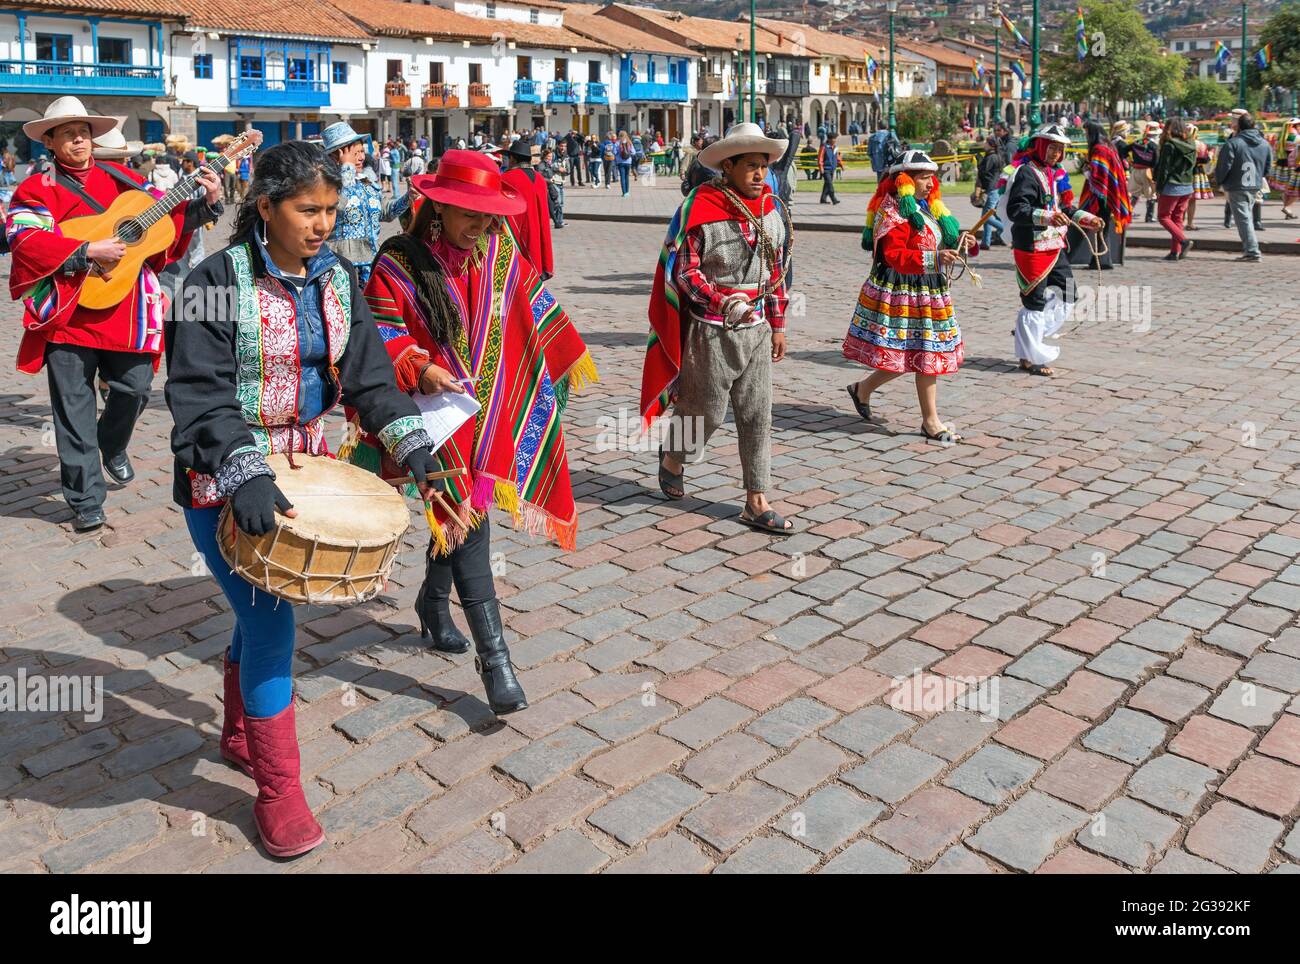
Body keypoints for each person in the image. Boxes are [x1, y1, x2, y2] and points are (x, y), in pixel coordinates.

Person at [165, 140, 438, 860]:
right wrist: (242, 470)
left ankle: (236, 731)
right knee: (271, 619)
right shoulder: (212, 281)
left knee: (259, 611)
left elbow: (371, 379)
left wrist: (414, 447)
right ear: (266, 206)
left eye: (332, 209)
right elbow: (197, 393)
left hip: (312, 473)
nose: (323, 223)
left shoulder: (341, 281)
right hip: (224, 479)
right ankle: (279, 792)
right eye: (307, 209)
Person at [347, 149, 595, 705]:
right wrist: (419, 363)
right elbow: (376, 332)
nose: (482, 224)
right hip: (430, 419)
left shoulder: (499, 251)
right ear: (437, 207)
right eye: (470, 213)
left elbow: (533, 302)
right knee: (466, 521)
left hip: (487, 409)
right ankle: (496, 661)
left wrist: (562, 358)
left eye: (489, 214)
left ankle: (433, 606)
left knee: (463, 517)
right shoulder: (398, 263)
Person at [5, 97, 221, 532]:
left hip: (125, 311)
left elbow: (167, 222)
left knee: (136, 388)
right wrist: (84, 250)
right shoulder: (35, 189)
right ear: (49, 141)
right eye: (68, 132)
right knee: (73, 408)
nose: (79, 138)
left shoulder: (122, 178)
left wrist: (208, 203)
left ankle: (111, 443)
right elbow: (24, 240)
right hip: (67, 311)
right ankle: (86, 498)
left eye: (84, 130)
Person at [642, 123, 794, 534]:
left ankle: (755, 500)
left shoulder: (773, 213)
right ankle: (674, 458)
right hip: (712, 331)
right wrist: (723, 300)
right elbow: (685, 272)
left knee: (758, 413)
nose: (761, 174)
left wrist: (777, 323)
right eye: (751, 166)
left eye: (764, 165)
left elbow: (776, 274)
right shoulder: (700, 209)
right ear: (728, 167)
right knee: (705, 411)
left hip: (757, 330)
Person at [844, 150, 977, 443]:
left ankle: (863, 389)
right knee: (923, 353)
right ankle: (931, 421)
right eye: (924, 178)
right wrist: (935, 258)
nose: (931, 183)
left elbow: (940, 244)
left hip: (929, 291)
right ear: (905, 180)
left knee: (916, 354)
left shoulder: (928, 208)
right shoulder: (893, 211)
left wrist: (962, 243)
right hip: (904, 293)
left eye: (932, 177)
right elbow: (893, 256)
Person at [1005, 123, 1104, 377]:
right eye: (1052, 148)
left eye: (1060, 150)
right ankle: (1033, 357)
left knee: (1069, 293)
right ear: (1039, 146)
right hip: (1031, 248)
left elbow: (1064, 208)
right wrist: (1047, 216)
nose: (1056, 154)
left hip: (1054, 246)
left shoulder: (1052, 174)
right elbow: (1016, 210)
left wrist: (1087, 218)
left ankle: (1029, 338)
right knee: (1034, 302)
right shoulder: (1026, 173)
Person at [318, 122, 411, 286]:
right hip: (341, 267)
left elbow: (386, 212)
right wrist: (346, 168)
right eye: (355, 153)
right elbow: (337, 205)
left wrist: (409, 197)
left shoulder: (366, 182)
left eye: (362, 151)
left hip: (371, 264)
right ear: (336, 156)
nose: (361, 157)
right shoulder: (325, 184)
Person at [1071, 119, 1129, 270]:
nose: (1085, 136)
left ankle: (1101, 261)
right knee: (1103, 226)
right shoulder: (1109, 146)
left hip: (1101, 195)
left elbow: (1098, 175)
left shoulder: (1099, 149)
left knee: (1099, 226)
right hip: (1109, 193)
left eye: (1086, 133)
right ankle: (1102, 259)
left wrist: (1086, 170)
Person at [1214, 111, 1272, 263]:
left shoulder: (1233, 143)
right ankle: (1250, 250)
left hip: (1236, 184)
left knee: (1243, 219)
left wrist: (1220, 181)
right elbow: (1267, 168)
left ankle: (1252, 251)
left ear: (1239, 126)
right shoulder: (1264, 143)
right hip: (1254, 184)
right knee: (1246, 217)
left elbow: (1223, 166)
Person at [501, 138, 554, 278]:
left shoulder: (506, 179)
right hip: (537, 239)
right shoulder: (540, 179)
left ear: (512, 158)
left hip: (516, 240)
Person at [1153, 118, 1195, 261]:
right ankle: (1174, 252)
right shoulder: (1191, 144)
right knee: (1177, 219)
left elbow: (1163, 169)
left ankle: (1184, 241)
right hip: (1187, 185)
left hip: (1171, 185)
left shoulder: (1169, 145)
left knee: (1163, 216)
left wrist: (1158, 187)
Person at [976, 135, 1007, 248]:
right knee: (988, 215)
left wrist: (979, 162)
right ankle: (985, 242)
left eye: (986, 143)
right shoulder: (997, 156)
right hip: (996, 188)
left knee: (986, 217)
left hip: (992, 189)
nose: (984, 144)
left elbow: (983, 172)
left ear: (991, 145)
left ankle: (1006, 230)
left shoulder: (991, 157)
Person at [1128, 122, 1159, 223]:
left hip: (1135, 170)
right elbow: (1156, 161)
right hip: (1148, 171)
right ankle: (1149, 217)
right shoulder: (1154, 146)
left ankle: (1128, 214)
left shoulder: (1136, 142)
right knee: (1150, 194)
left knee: (1134, 194)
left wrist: (1131, 161)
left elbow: (1124, 150)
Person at [1185, 123, 1213, 231]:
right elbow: (1205, 160)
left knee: (1182, 199)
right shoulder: (1201, 144)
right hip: (1197, 172)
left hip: (1183, 173)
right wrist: (1210, 154)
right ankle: (1190, 223)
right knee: (1192, 200)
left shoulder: (1180, 143)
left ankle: (1179, 222)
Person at [538, 146, 566, 229]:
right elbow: (539, 176)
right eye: (549, 156)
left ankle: (552, 220)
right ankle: (556, 222)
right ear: (545, 156)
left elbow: (553, 168)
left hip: (550, 186)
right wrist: (549, 180)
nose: (550, 158)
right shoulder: (541, 165)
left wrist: (559, 169)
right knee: (550, 205)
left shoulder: (548, 164)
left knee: (554, 204)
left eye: (551, 156)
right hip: (545, 187)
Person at [1278, 117, 1300, 221]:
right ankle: (1287, 208)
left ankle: (1288, 210)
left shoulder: (1283, 136)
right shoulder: (1294, 136)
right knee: (1295, 190)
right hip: (1293, 166)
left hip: (1283, 165)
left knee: (1289, 190)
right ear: (1294, 126)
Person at [818, 132, 843, 204]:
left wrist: (841, 165)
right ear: (829, 139)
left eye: (835, 139)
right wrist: (821, 168)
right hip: (825, 169)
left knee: (827, 184)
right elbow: (820, 158)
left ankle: (823, 199)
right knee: (830, 184)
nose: (834, 140)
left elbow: (837, 157)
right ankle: (833, 199)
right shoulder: (824, 147)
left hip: (832, 169)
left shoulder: (835, 148)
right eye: (833, 139)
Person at [614, 130, 635, 196]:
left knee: (622, 177)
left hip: (620, 162)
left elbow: (614, 152)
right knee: (627, 177)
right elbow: (634, 152)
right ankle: (627, 192)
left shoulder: (617, 143)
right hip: (628, 162)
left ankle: (624, 192)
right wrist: (629, 154)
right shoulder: (629, 142)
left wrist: (617, 155)